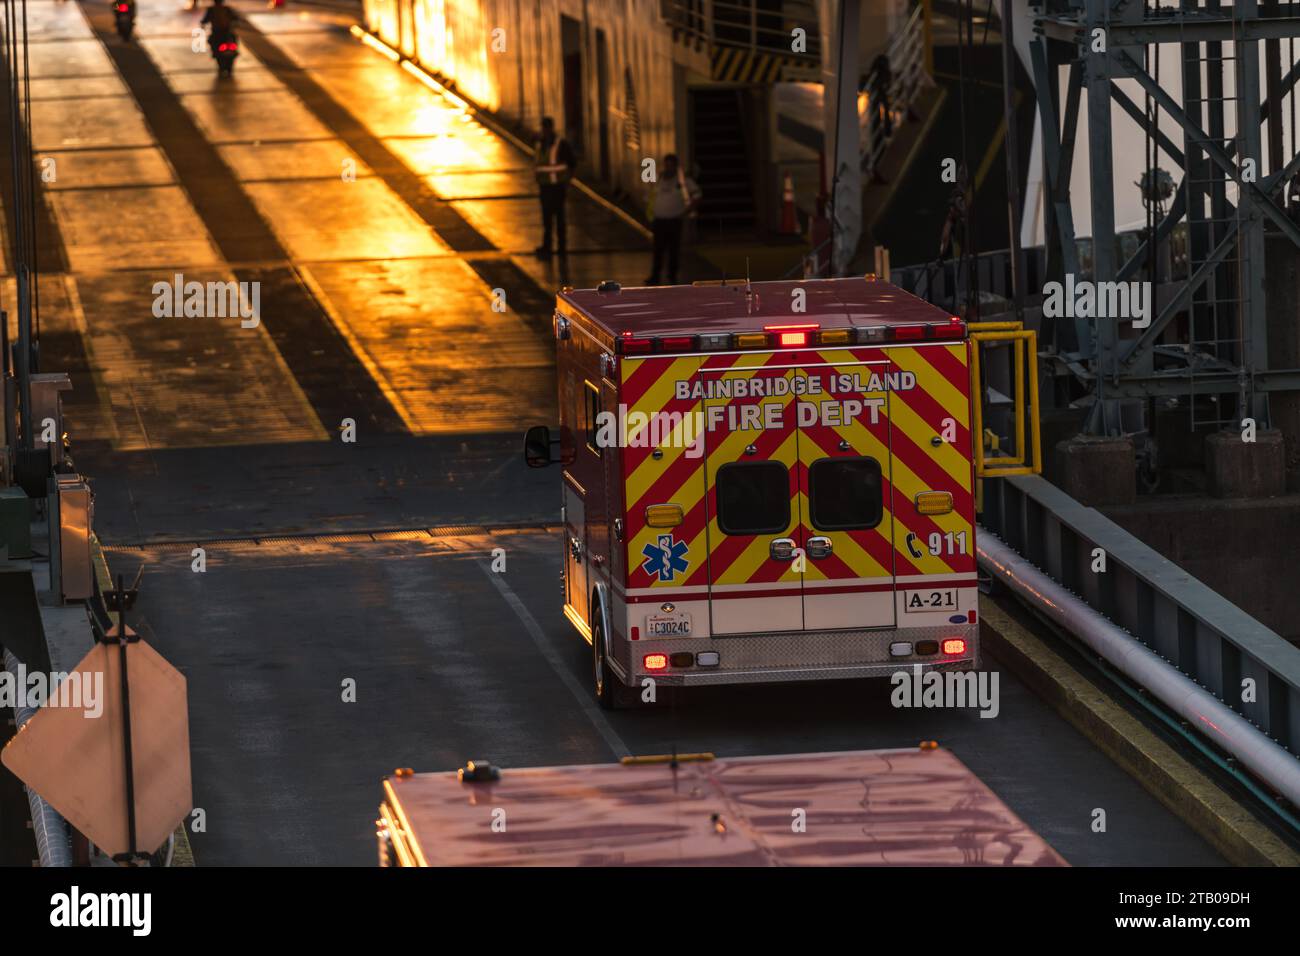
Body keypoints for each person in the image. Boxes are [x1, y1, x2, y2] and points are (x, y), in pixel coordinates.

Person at [644, 153, 701, 286]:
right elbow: (650, 197)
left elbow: (697, 195)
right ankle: (655, 275)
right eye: (666, 165)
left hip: (674, 220)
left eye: (671, 165)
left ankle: (672, 275)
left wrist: (687, 211)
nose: (668, 168)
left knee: (673, 249)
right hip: (659, 220)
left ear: (675, 166)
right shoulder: (658, 179)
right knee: (658, 249)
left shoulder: (683, 181)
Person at [533, 117, 576, 260]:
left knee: (559, 218)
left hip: (557, 187)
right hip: (545, 187)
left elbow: (571, 163)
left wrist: (568, 180)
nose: (544, 131)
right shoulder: (540, 144)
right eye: (543, 128)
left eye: (546, 128)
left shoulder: (560, 144)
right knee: (546, 219)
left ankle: (561, 247)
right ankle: (547, 246)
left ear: (551, 128)